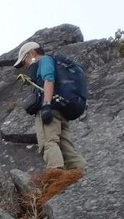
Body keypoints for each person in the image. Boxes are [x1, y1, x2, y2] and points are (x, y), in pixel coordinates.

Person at [14, 40, 85, 173]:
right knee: (65, 145)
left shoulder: (45, 60)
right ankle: (78, 172)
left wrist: (46, 104)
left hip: (50, 108)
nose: (25, 65)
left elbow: (49, 79)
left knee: (48, 142)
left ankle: (55, 173)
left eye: (24, 61)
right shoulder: (53, 62)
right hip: (62, 111)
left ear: (32, 53)